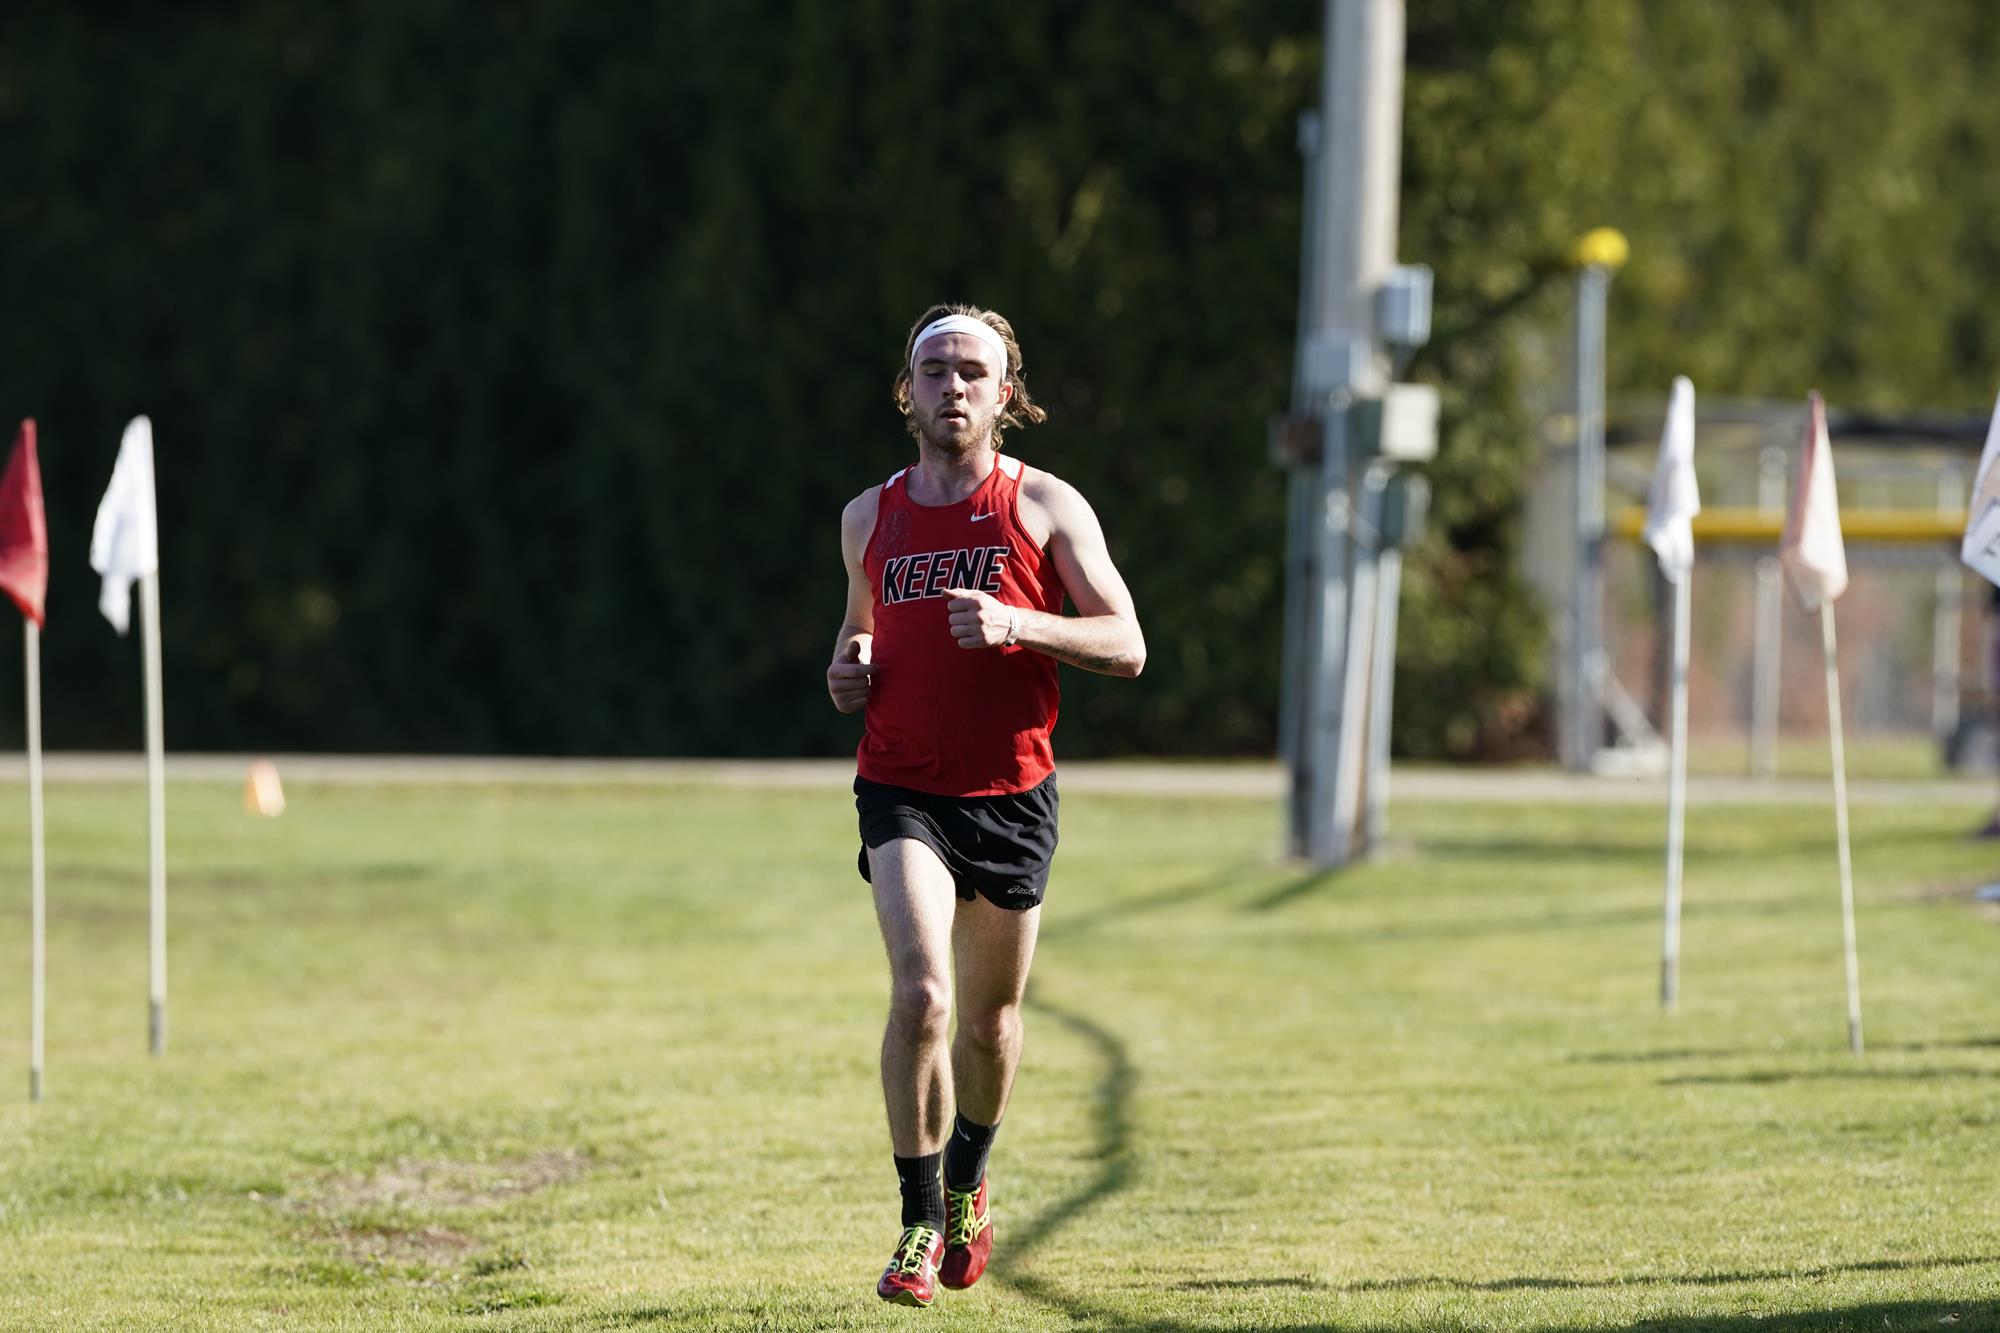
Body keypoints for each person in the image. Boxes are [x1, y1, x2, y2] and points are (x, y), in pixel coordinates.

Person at [826, 303, 1146, 1307]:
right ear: (906, 390)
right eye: (933, 368)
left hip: (1009, 793)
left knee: (989, 1024)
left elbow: (1127, 643)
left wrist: (1019, 621)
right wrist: (849, 667)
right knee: (921, 996)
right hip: (900, 785)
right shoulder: (867, 516)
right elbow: (858, 632)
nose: (951, 385)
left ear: (1005, 393)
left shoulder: (1045, 505)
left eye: (971, 370)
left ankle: (967, 1178)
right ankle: (918, 1219)